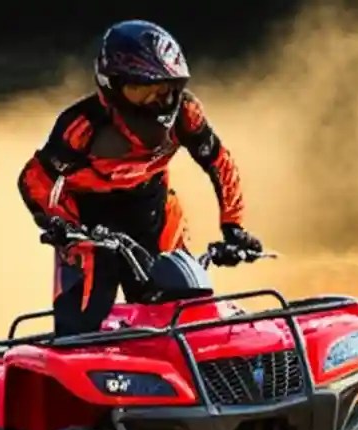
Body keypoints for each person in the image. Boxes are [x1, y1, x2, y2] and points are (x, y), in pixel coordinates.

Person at [17, 19, 263, 336]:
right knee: (80, 328)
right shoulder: (82, 126)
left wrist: (233, 226)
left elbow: (219, 161)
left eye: (165, 90)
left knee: (185, 313)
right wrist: (61, 224)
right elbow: (35, 178)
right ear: (112, 86)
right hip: (88, 224)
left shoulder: (187, 114)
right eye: (143, 90)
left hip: (153, 210)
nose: (157, 101)